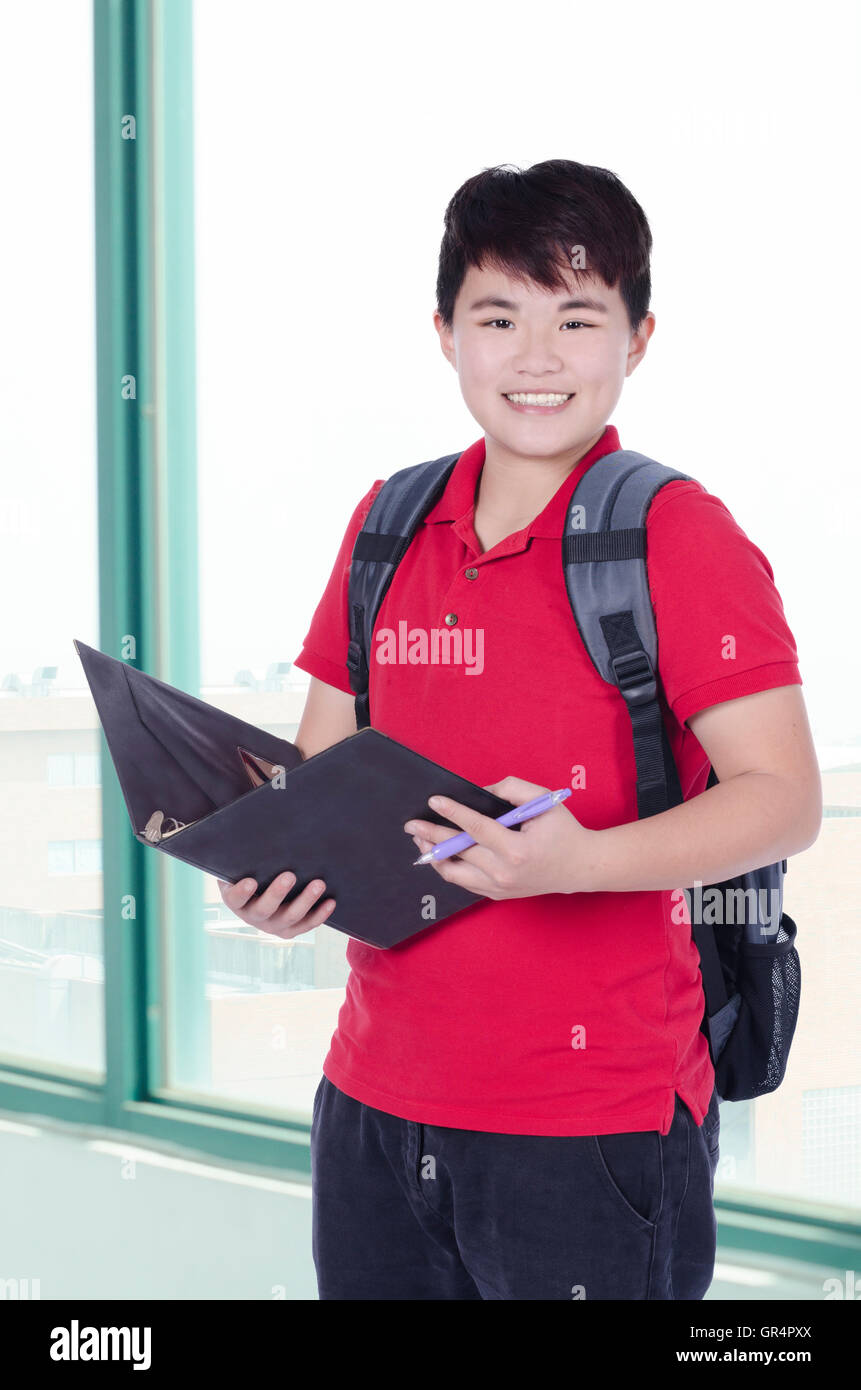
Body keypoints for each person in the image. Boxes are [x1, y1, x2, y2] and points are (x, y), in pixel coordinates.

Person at [218, 159, 822, 1300]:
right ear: (445, 332)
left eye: (577, 317)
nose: (537, 357)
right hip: (371, 1110)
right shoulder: (389, 521)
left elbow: (782, 796)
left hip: (592, 1132)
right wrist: (276, 878)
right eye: (499, 315)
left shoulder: (676, 535)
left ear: (638, 339)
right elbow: (328, 777)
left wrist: (581, 863)